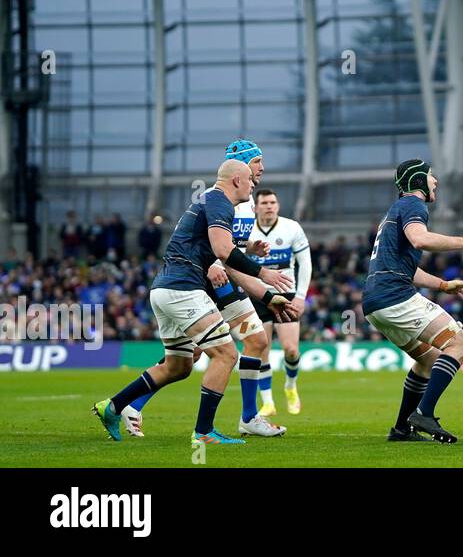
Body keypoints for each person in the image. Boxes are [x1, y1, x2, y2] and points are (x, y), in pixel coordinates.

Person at [93, 159, 297, 445]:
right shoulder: (219, 201)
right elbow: (224, 251)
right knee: (226, 354)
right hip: (184, 288)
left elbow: (224, 253)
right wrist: (264, 273)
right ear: (237, 180)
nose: (253, 185)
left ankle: (112, 406)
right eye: (250, 179)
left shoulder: (209, 202)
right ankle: (203, 432)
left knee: (179, 366)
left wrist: (262, 288)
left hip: (163, 289)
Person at [363, 159, 463, 443]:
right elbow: (419, 239)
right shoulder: (413, 205)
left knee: (428, 359)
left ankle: (401, 429)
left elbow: (409, 268)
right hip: (395, 297)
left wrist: (444, 284)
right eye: (432, 177)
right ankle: (424, 413)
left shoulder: (394, 212)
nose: (436, 182)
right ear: (419, 180)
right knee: (460, 344)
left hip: (375, 302)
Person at [245, 188, 312, 417]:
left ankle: (291, 386)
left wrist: (301, 296)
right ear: (256, 207)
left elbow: (306, 263)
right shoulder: (248, 230)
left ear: (278, 205)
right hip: (258, 295)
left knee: (291, 350)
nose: (269, 206)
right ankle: (268, 402)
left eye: (273, 202)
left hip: (287, 294)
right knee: (261, 347)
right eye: (264, 203)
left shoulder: (291, 227)